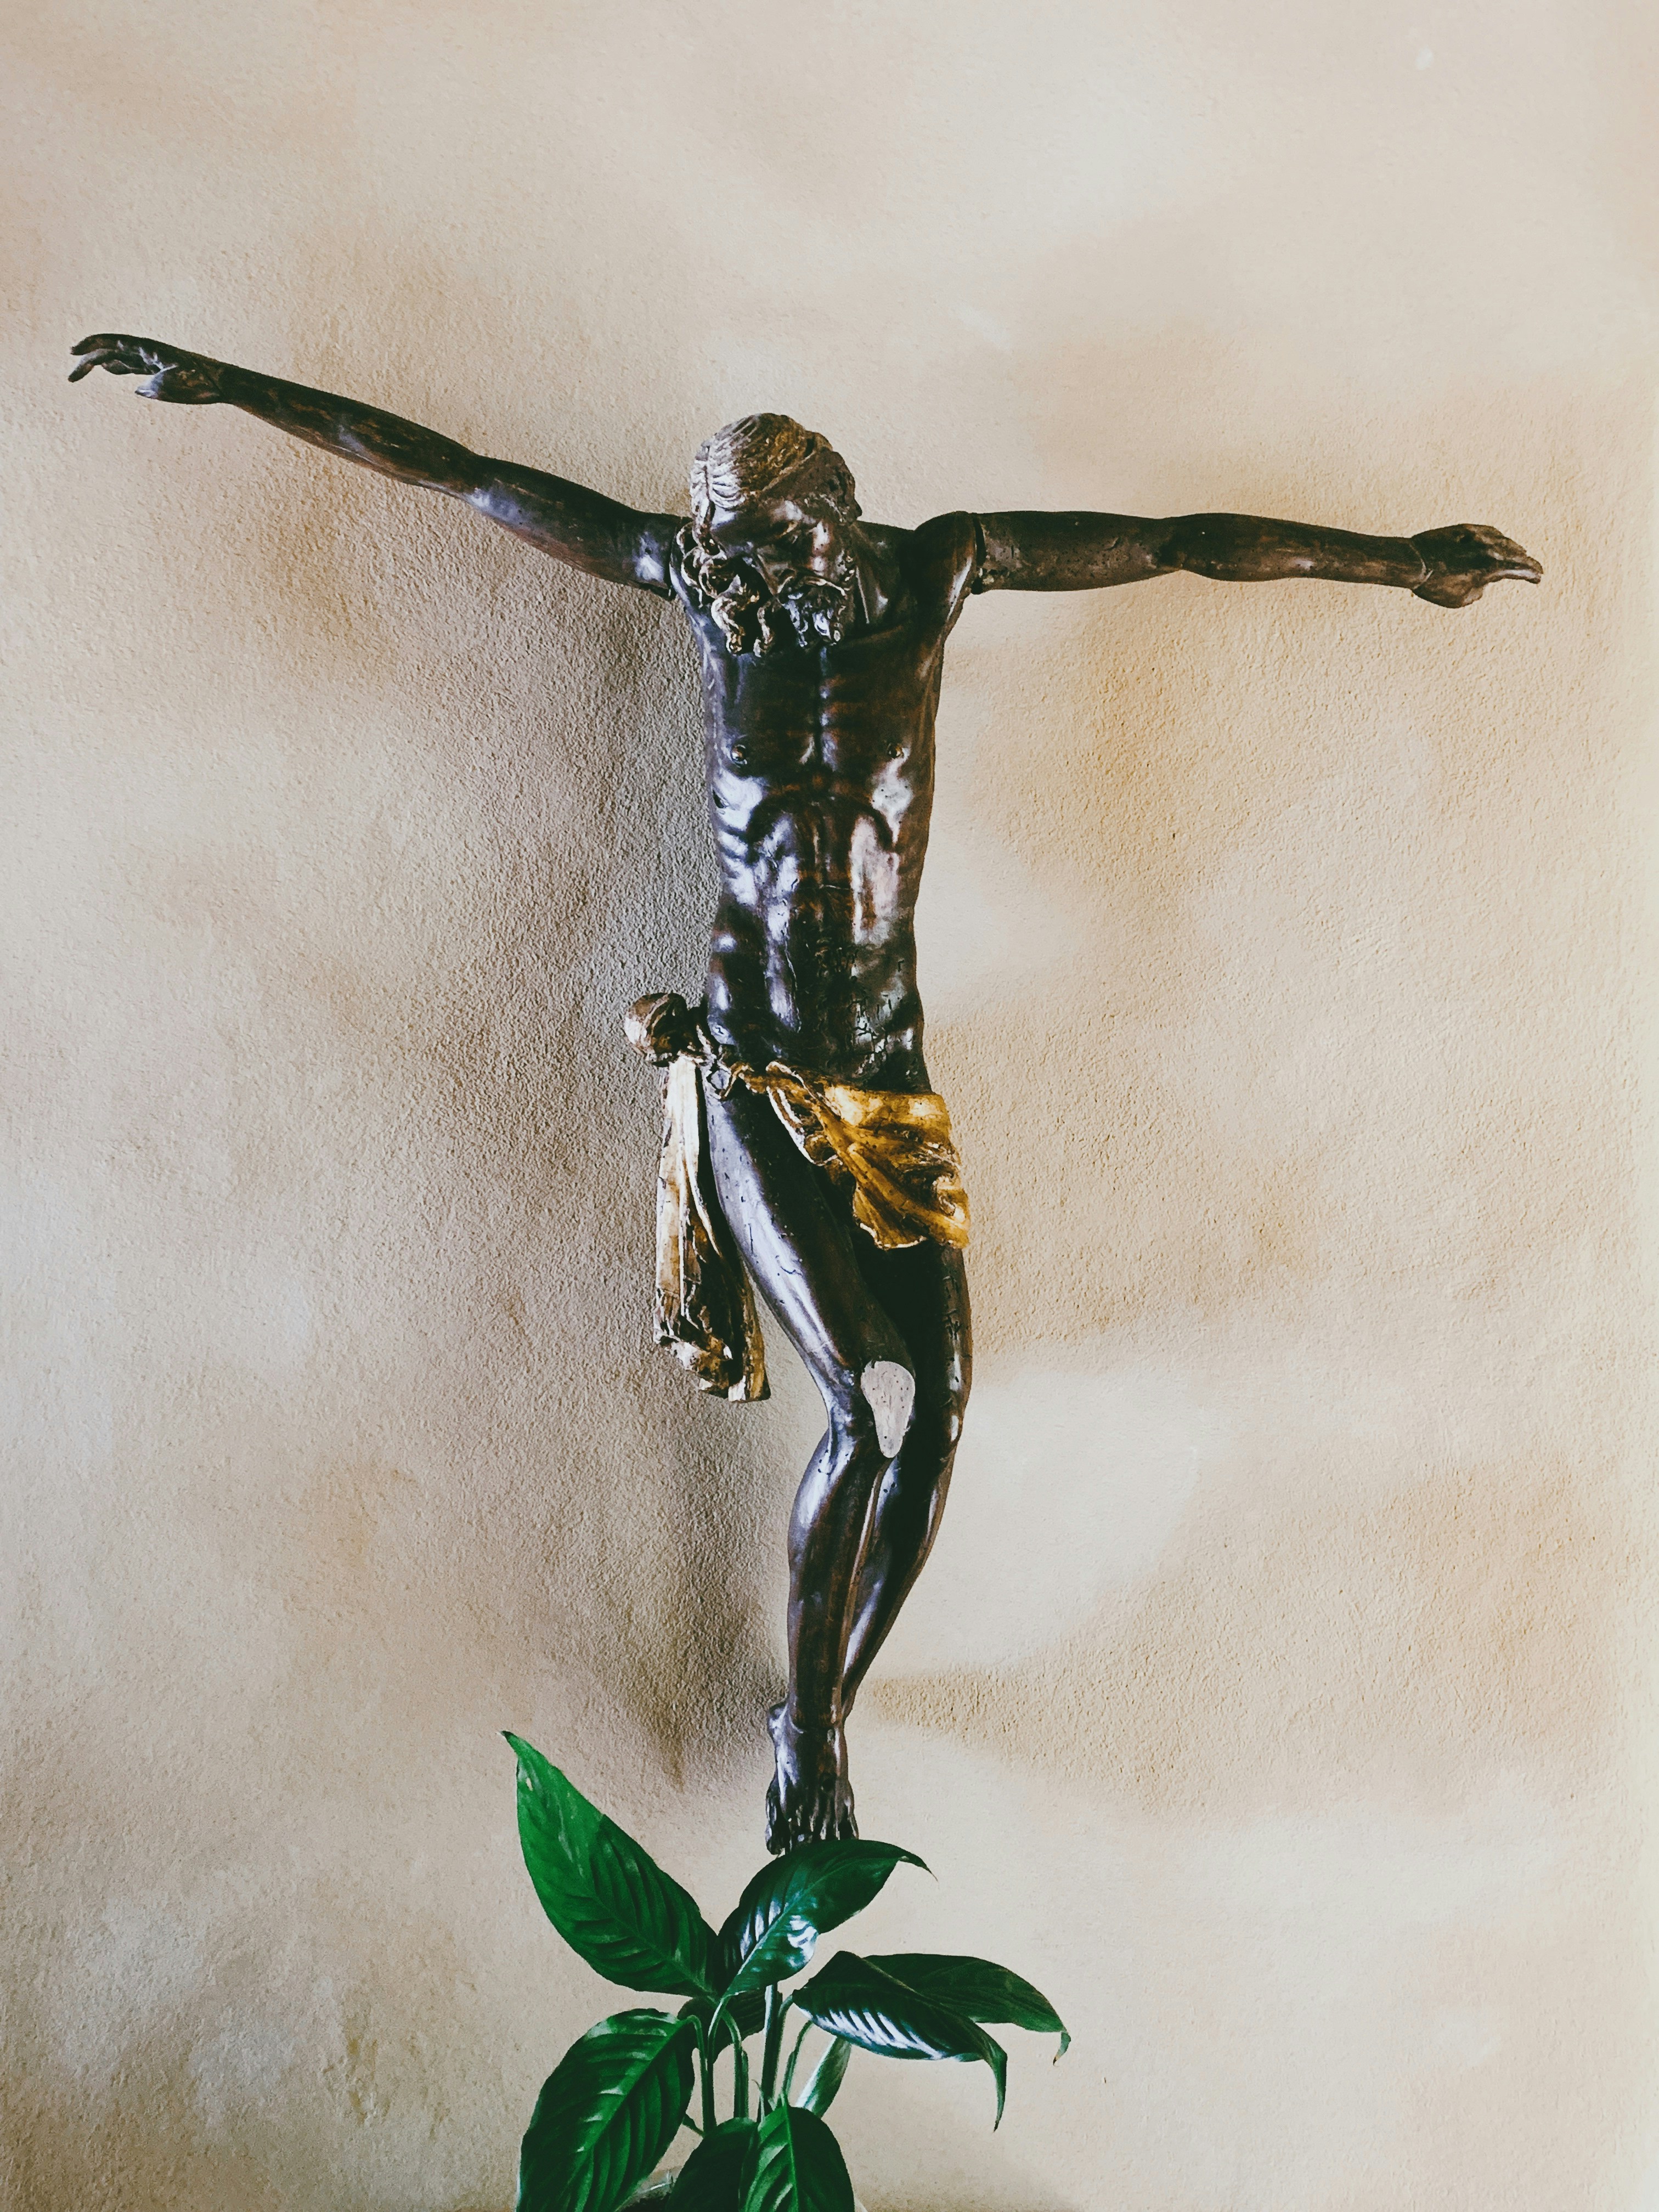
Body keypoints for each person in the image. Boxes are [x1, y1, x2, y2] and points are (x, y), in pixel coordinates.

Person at [70, 333, 1542, 1849]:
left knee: (945, 1408)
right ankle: (818, 1721)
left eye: (767, 547)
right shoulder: (705, 591)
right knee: (862, 1397)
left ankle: (816, 1698)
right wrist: (236, 386)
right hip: (757, 1070)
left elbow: (1177, 547)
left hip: (892, 1081)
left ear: (835, 513)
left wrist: (1400, 563)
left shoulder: (939, 570)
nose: (739, 578)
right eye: (722, 554)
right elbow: (466, 475)